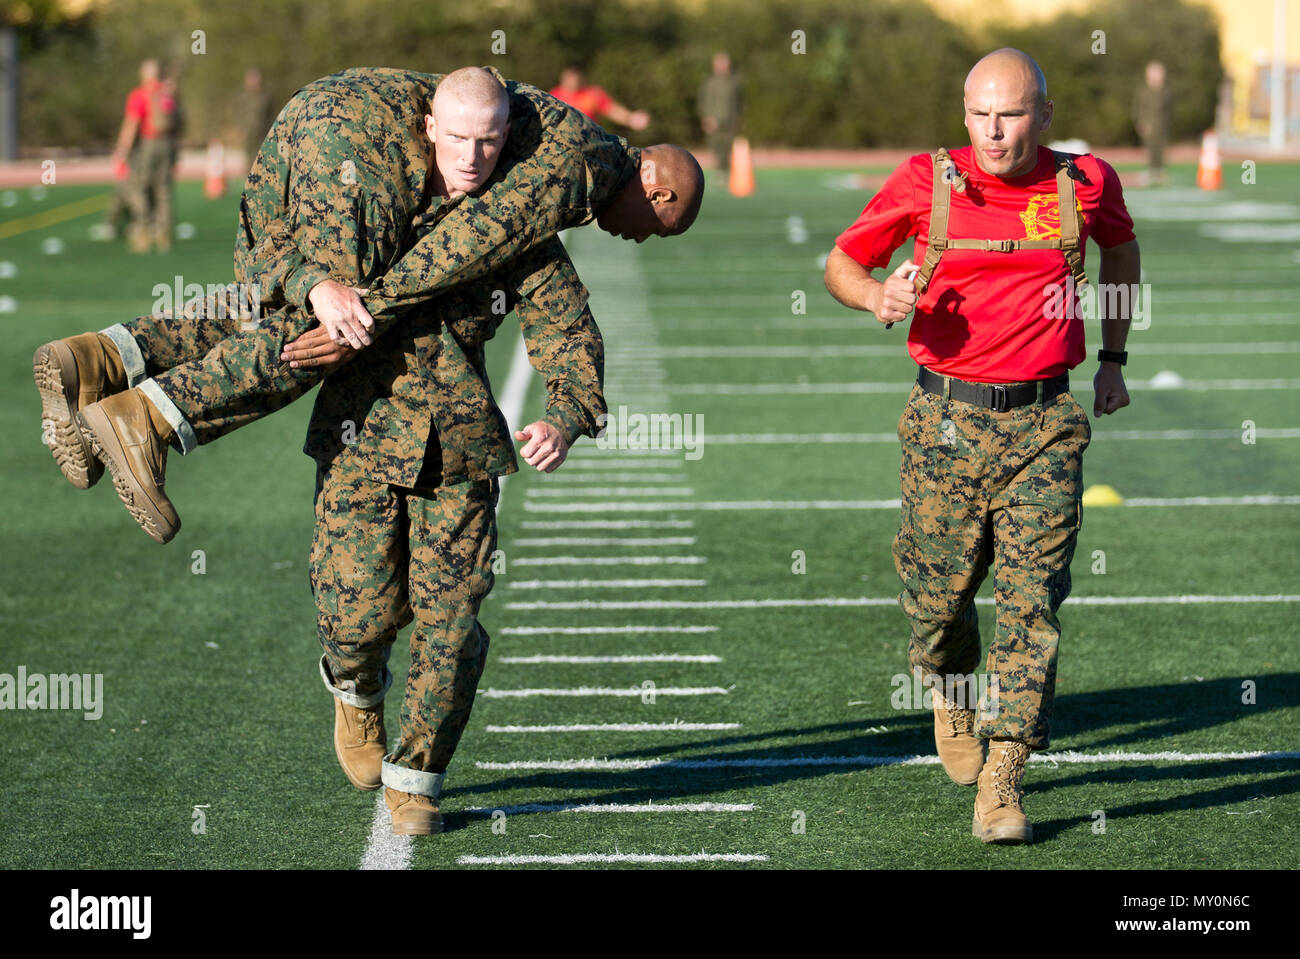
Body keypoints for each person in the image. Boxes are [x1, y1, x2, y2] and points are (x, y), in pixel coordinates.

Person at [34, 67, 703, 543]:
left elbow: (273, 268)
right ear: (659, 191)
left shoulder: (569, 138)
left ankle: (101, 357)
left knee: (279, 292)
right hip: (363, 153)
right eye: (656, 228)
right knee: (328, 321)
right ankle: (148, 417)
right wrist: (368, 313)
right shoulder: (578, 167)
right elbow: (467, 244)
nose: (639, 236)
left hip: (312, 110)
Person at [823, 48, 1139, 845]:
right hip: (944, 423)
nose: (995, 132)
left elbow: (1122, 253)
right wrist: (876, 296)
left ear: (1045, 115)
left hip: (1046, 423)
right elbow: (841, 261)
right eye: (981, 114)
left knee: (1032, 607)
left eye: (1012, 114)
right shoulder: (925, 182)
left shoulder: (1086, 183)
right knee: (937, 606)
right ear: (964, 114)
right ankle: (951, 691)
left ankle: (1004, 779)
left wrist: (1113, 358)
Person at [303, 234, 602, 834]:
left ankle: (416, 780)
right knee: (359, 612)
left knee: (453, 621)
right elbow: (274, 249)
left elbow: (567, 325)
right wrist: (312, 284)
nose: (473, 154)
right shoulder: (378, 196)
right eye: (461, 136)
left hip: (461, 449)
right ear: (431, 130)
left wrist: (566, 417)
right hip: (359, 436)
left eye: (488, 139)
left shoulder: (514, 215)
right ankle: (357, 689)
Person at [109, 59, 181, 253]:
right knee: (164, 191)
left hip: (148, 146)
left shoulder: (140, 95)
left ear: (143, 76)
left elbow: (132, 124)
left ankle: (143, 232)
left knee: (140, 188)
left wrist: (122, 150)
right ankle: (165, 235)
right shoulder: (168, 95)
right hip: (168, 146)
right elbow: (177, 125)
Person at [550, 66, 650, 131]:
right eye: (569, 79)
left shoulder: (591, 94)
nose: (572, 82)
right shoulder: (554, 96)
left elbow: (611, 109)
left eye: (575, 79)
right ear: (563, 79)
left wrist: (631, 118)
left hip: (589, 139)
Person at [697, 52, 742, 175]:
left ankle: (726, 170)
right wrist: (706, 117)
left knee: (728, 147)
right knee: (716, 146)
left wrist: (737, 118)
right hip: (714, 120)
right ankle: (719, 170)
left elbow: (739, 102)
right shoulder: (709, 82)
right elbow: (704, 101)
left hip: (730, 120)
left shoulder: (734, 82)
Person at [1133, 60, 1171, 187]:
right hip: (1148, 124)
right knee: (1149, 148)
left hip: (1161, 124)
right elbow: (1138, 108)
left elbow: (1168, 109)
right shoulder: (1143, 91)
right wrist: (1140, 122)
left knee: (1160, 148)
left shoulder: (1165, 91)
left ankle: (1159, 171)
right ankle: (1151, 171)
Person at [237, 67, 277, 169]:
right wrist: (240, 128)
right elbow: (239, 113)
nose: (253, 82)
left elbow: (271, 116)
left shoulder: (265, 98)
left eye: (255, 79)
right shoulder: (243, 97)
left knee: (262, 160)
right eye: (251, 79)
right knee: (249, 161)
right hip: (248, 134)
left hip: (262, 135)